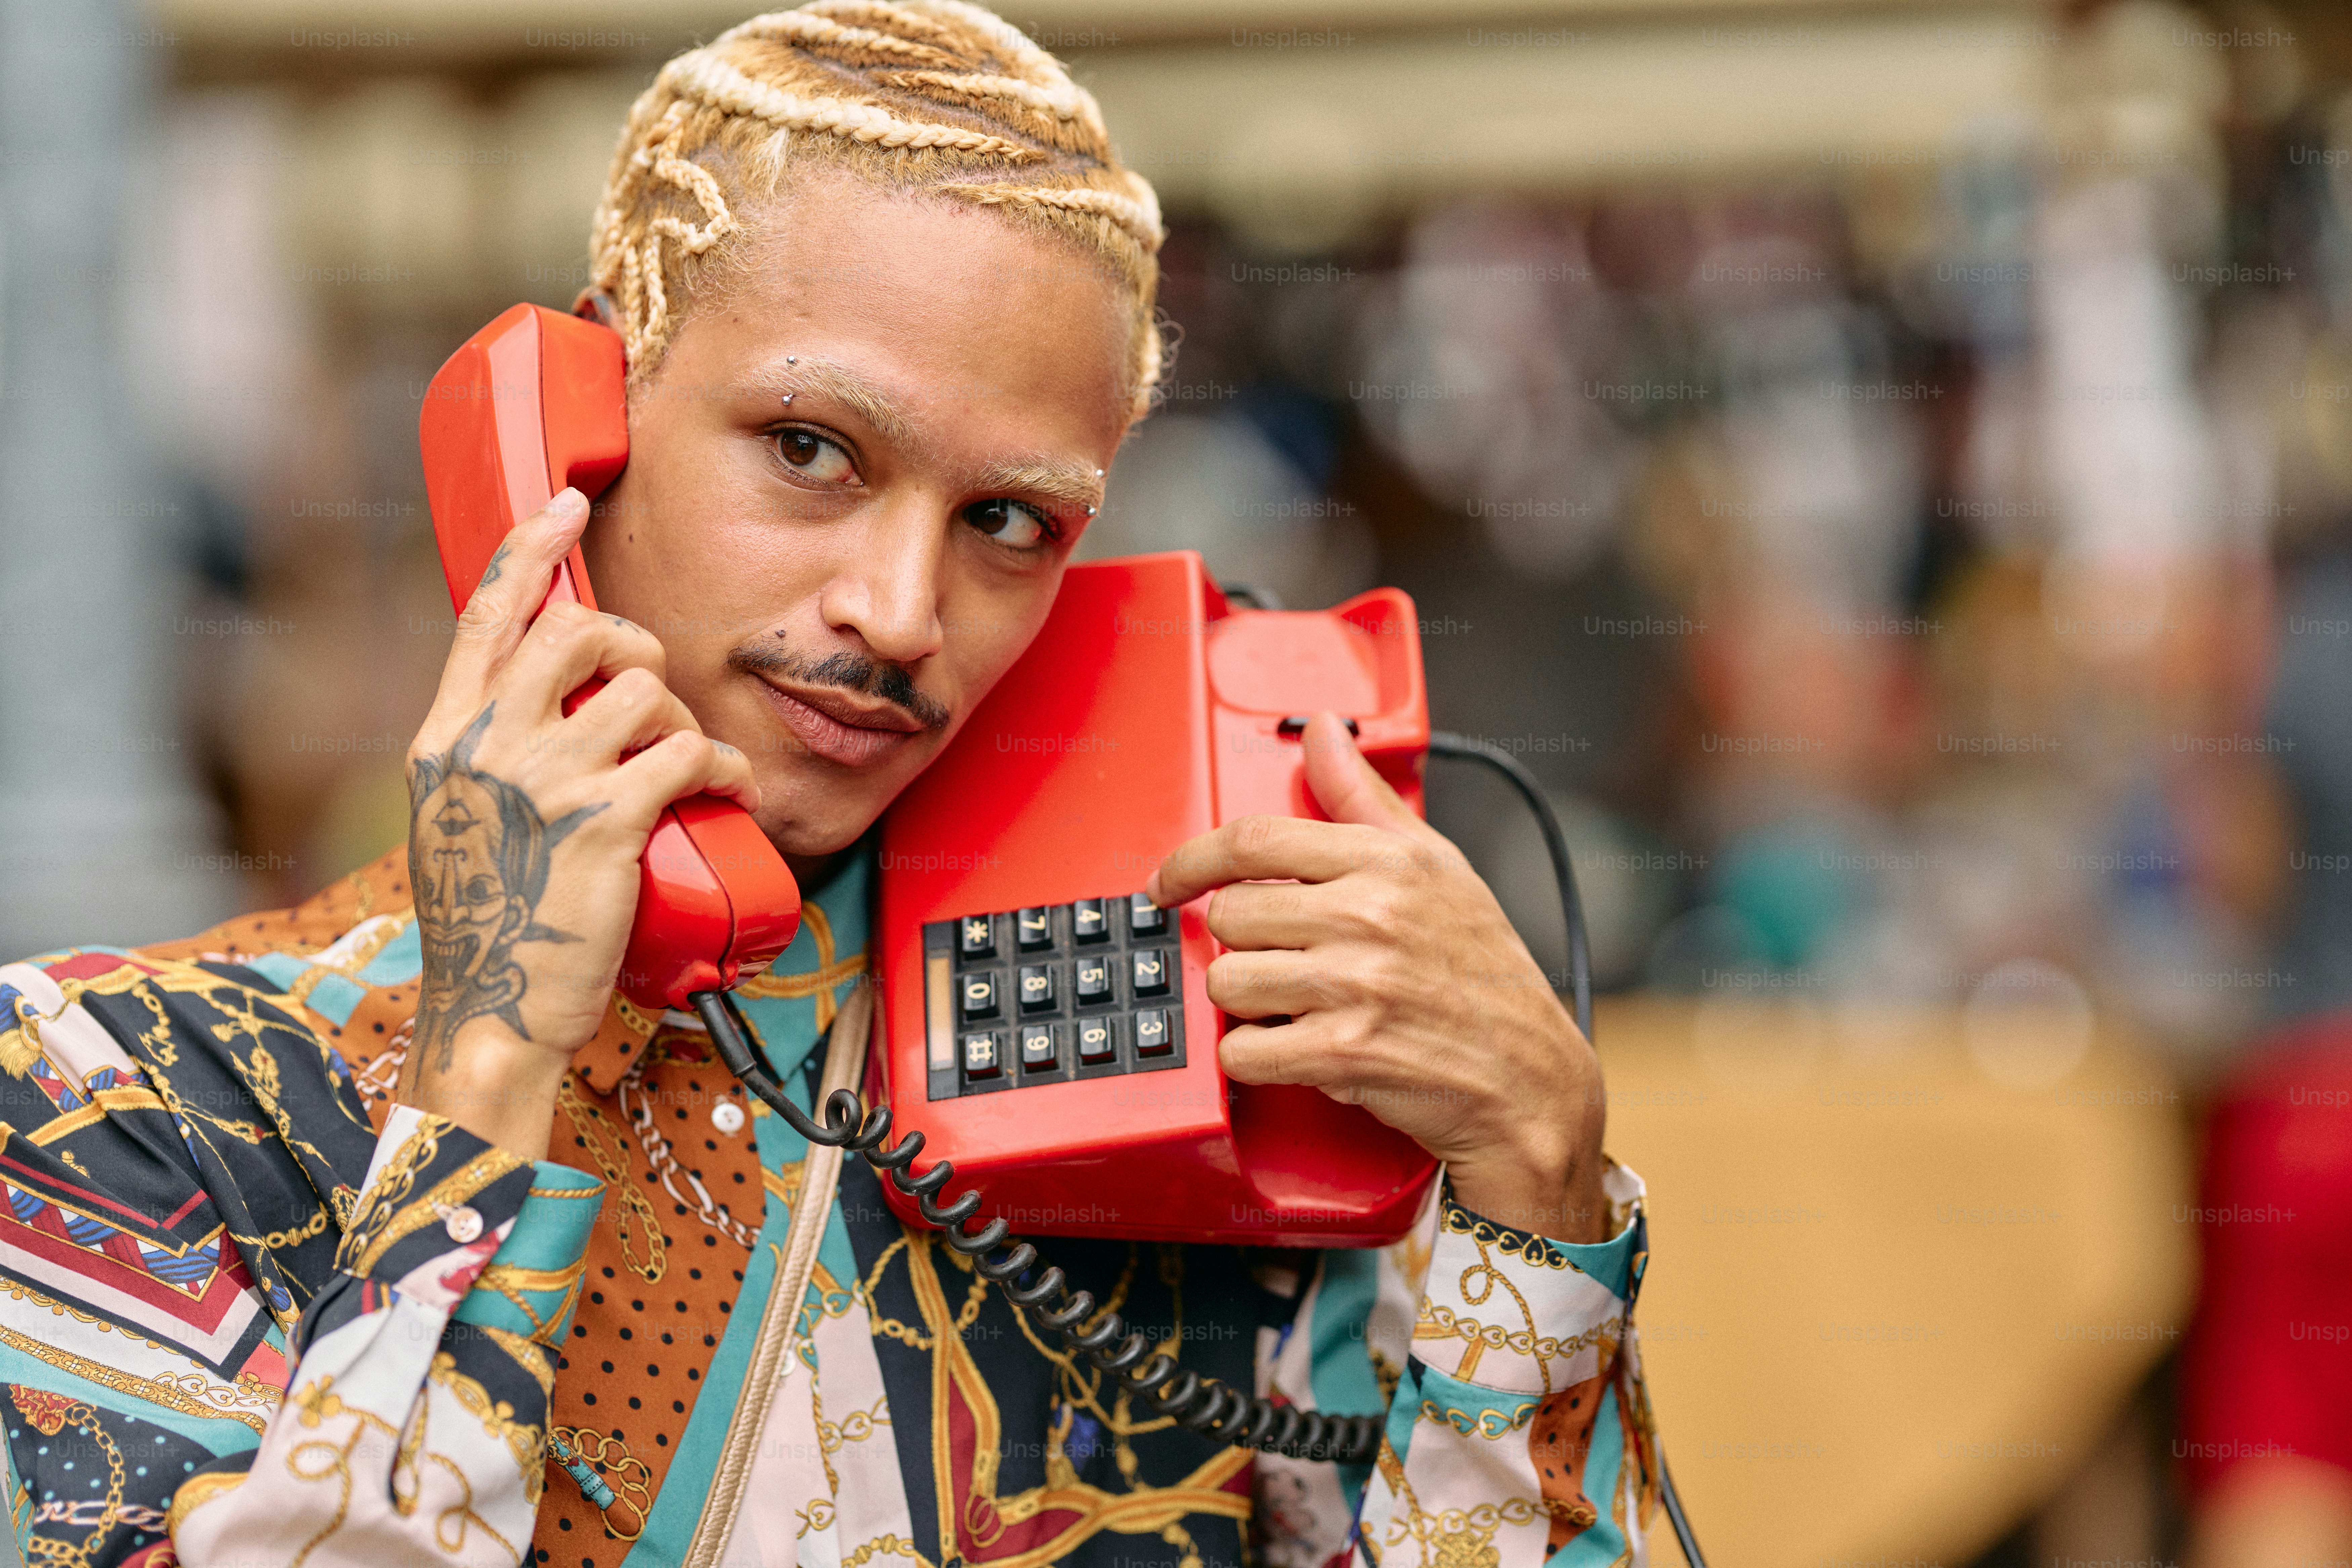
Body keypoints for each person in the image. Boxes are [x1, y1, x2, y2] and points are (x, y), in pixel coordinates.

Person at [0, 5, 1654, 1566]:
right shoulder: (109, 1096)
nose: (900, 614)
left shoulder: (1187, 1091)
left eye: (1007, 520)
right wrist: (488, 1066)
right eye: (810, 449)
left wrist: (1539, 1203)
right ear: (581, 418)